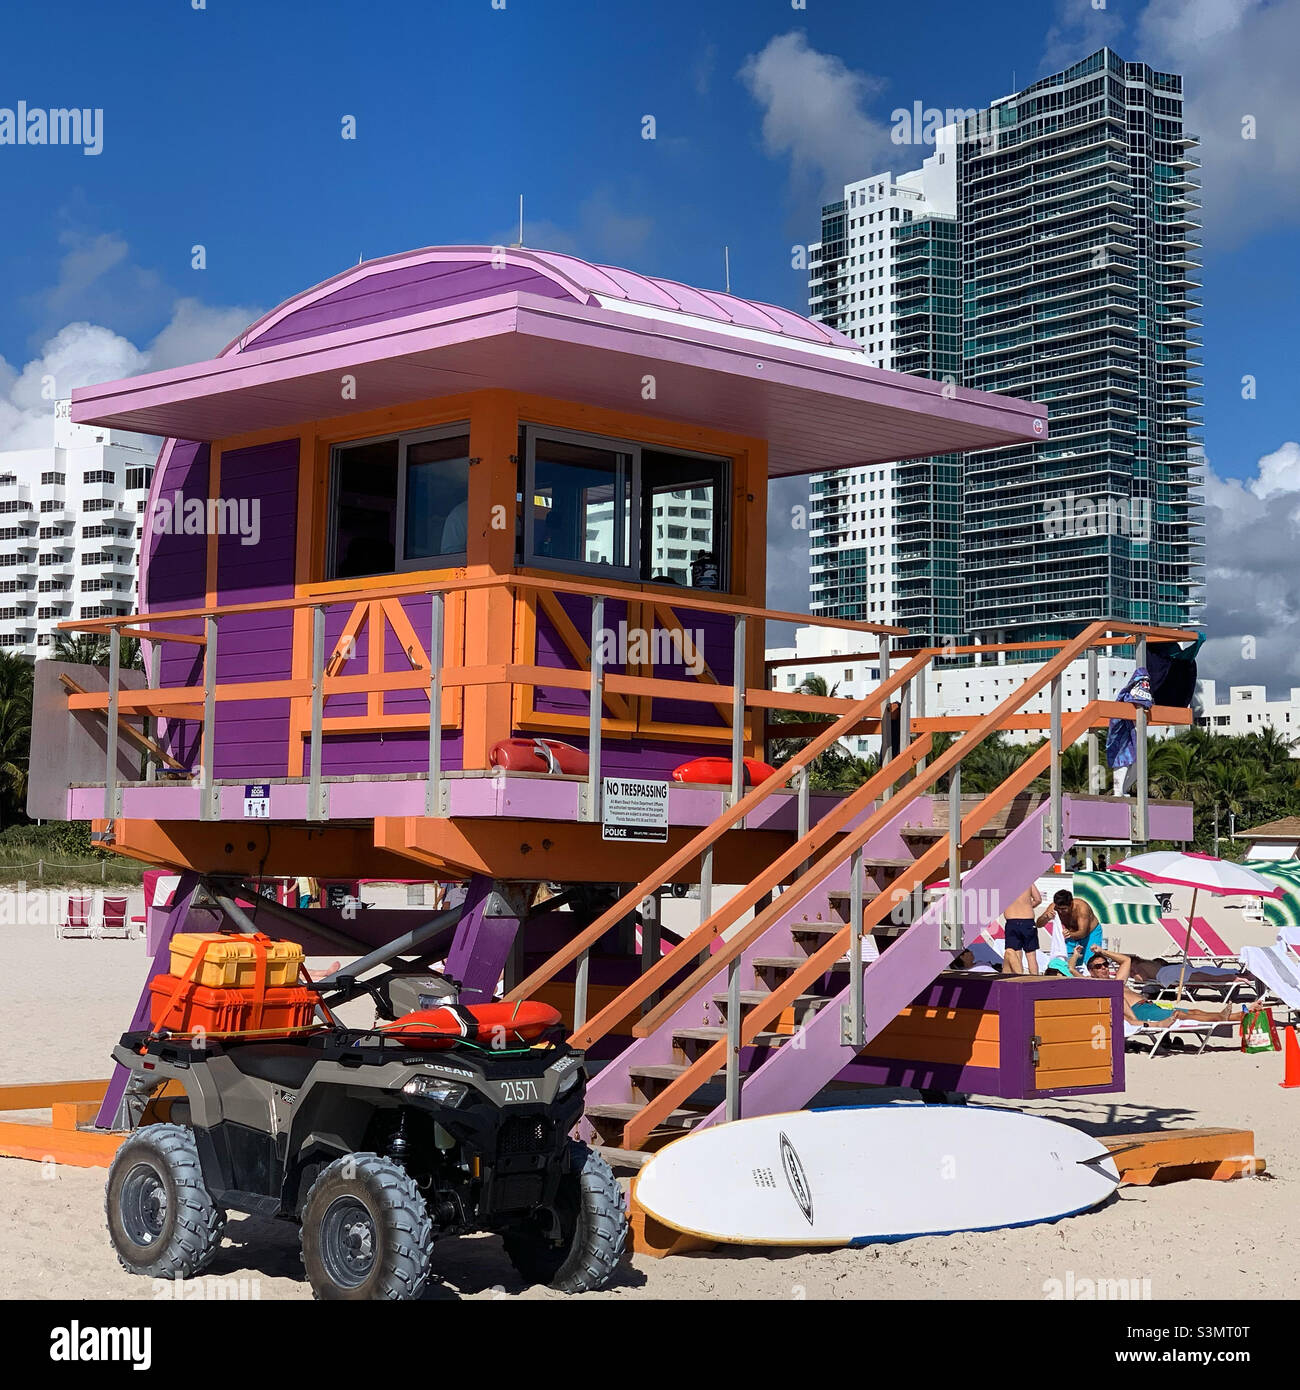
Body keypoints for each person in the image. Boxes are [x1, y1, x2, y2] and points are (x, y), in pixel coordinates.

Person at [1087, 949, 1244, 1028]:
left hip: (1150, 1005)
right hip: (1140, 1011)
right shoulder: (1099, 987)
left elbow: (1126, 960)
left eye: (1105, 964)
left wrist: (1102, 951)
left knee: (1195, 1012)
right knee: (1181, 1015)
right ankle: (1221, 1018)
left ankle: (1236, 1017)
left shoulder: (1116, 982)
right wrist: (1074, 960)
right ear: (1091, 971)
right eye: (1098, 966)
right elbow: (1072, 974)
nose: (1104, 968)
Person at [1002, 880, 1045, 976]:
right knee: (1031, 955)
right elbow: (1038, 899)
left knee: (1016, 954)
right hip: (1027, 921)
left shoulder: (1004, 884)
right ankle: (1034, 979)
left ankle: (1018, 978)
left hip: (1011, 921)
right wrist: (1028, 905)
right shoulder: (1027, 881)